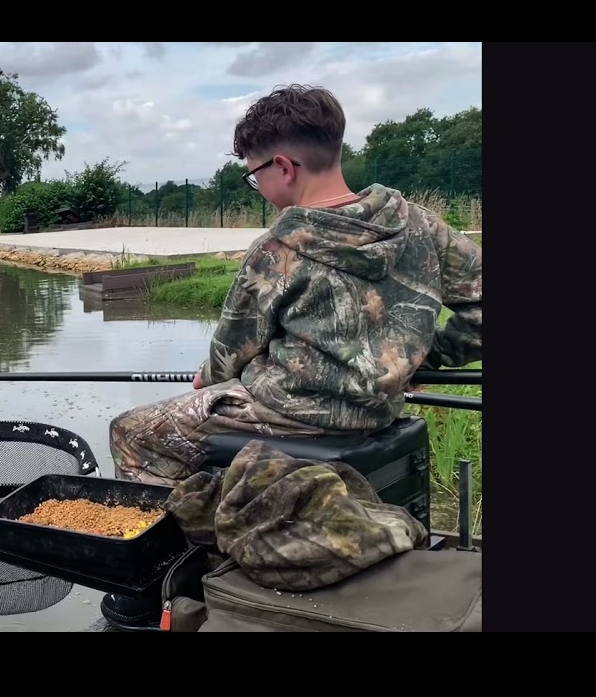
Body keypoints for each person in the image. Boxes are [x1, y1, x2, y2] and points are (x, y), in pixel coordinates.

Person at [109, 84, 482, 488]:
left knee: (130, 432)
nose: (258, 186)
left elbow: (229, 355)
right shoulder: (420, 224)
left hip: (289, 414)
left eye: (255, 175)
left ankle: (186, 542)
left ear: (284, 167)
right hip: (379, 411)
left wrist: (206, 378)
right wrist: (420, 359)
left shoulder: (278, 249)